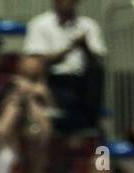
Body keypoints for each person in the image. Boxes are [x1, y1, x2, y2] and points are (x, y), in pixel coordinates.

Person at [21, 0, 105, 133]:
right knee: (67, 97)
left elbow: (98, 58)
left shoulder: (89, 25)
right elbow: (36, 62)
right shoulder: (39, 24)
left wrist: (85, 47)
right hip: (54, 78)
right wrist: (69, 49)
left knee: (96, 71)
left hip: (82, 80)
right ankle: (81, 124)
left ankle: (88, 124)